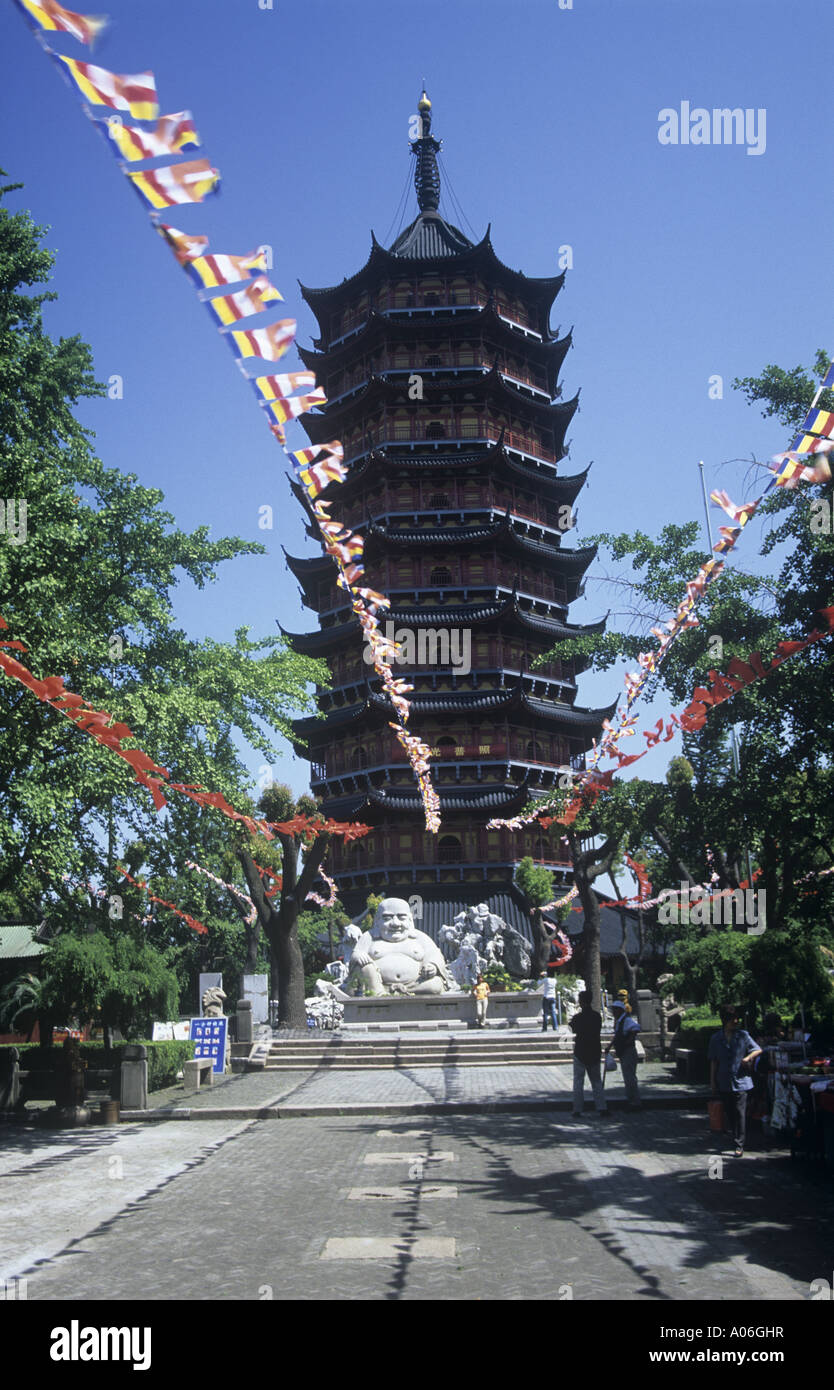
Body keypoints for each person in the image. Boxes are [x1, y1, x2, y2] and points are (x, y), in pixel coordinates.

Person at [708, 1005, 762, 1157]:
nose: (736, 1021)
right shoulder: (716, 1038)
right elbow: (713, 1061)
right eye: (733, 1019)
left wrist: (748, 1057)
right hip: (724, 1080)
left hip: (741, 1080)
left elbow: (757, 1049)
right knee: (730, 1112)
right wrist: (712, 1081)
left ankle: (740, 1143)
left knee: (740, 1112)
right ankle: (735, 1135)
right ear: (725, 1021)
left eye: (737, 1019)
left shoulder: (743, 1035)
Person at [570, 990, 607, 1117]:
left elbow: (572, 1028)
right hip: (594, 1050)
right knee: (596, 1081)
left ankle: (577, 1109)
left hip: (580, 1050)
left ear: (581, 1002)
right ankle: (602, 1107)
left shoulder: (577, 1018)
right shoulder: (597, 1016)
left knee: (578, 1082)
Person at [606, 998, 642, 1109]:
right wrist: (610, 1046)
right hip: (623, 1051)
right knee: (627, 1076)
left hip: (628, 1051)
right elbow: (617, 1036)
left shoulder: (626, 1020)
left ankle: (634, 1102)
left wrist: (628, 1041)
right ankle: (630, 1099)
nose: (614, 1012)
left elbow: (636, 1028)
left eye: (616, 1010)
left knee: (630, 1077)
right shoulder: (619, 1021)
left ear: (620, 1010)